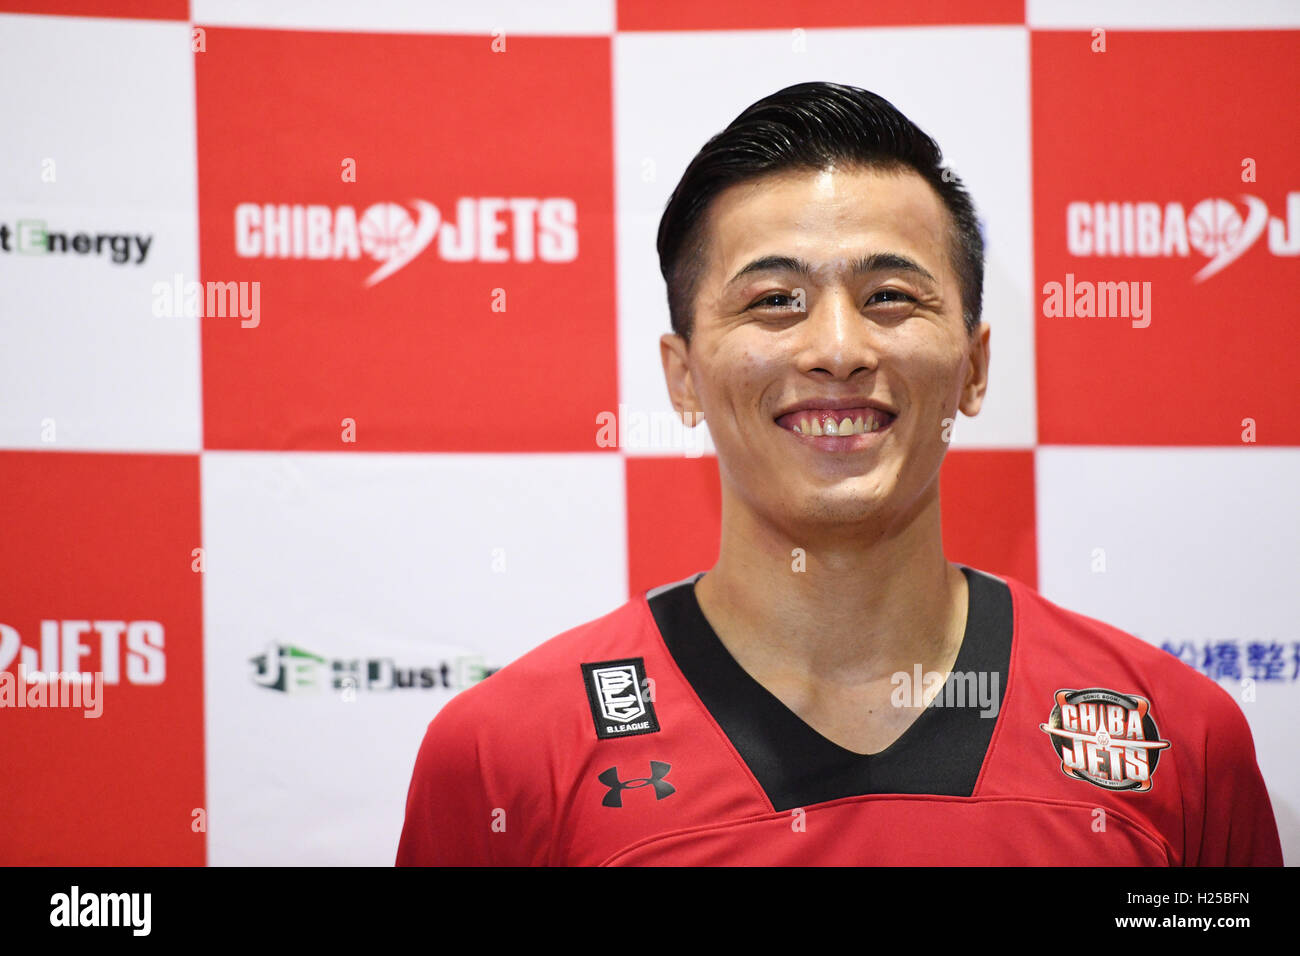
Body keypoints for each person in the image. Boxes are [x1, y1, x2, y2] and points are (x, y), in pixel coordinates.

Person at [396, 81, 1282, 866]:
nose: (837, 349)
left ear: (974, 369)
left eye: (890, 296)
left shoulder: (1176, 737)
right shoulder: (509, 756)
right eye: (774, 300)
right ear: (682, 377)